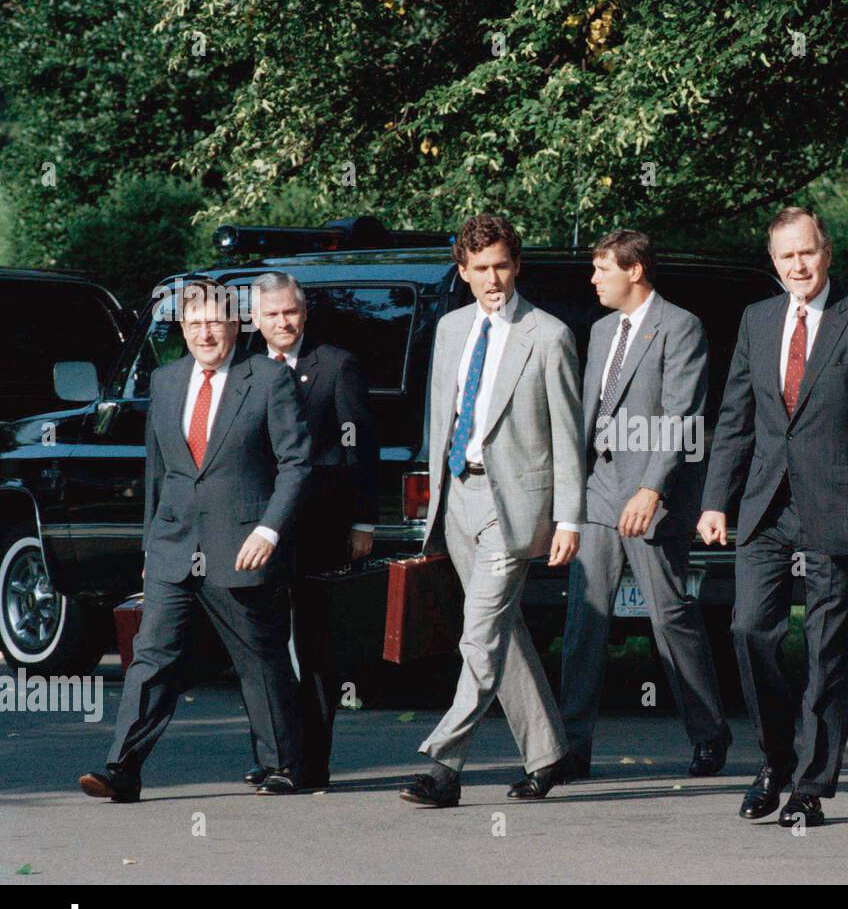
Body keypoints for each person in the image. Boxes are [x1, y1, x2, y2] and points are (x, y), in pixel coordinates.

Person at [697, 206, 848, 828]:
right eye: (786, 256)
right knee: (748, 632)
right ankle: (775, 759)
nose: (798, 265)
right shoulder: (757, 320)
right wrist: (716, 499)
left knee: (829, 649)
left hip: (841, 504)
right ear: (774, 262)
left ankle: (811, 786)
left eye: (807, 253)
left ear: (827, 251)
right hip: (766, 506)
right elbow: (735, 418)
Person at [80, 277, 312, 801]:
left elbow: (297, 465)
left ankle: (282, 765)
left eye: (215, 321)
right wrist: (149, 548)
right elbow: (158, 472)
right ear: (181, 328)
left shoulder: (267, 378)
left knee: (258, 656)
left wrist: (269, 530)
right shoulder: (165, 382)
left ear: (236, 324)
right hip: (173, 546)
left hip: (243, 543)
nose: (205, 333)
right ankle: (122, 769)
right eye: (195, 323)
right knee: (152, 655)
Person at [400, 214, 584, 808]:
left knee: (478, 638)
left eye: (502, 265)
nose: (493, 278)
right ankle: (549, 755)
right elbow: (441, 417)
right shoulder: (451, 328)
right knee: (503, 633)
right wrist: (435, 496)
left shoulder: (548, 334)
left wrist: (569, 519)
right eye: (480, 268)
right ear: (463, 272)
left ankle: (444, 765)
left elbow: (567, 435)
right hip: (458, 496)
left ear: (517, 265)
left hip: (515, 506)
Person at [557, 229, 731, 782]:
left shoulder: (680, 327)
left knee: (670, 619)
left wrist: (652, 489)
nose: (593, 279)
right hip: (599, 490)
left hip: (651, 497)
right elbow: (587, 415)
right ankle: (572, 746)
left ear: (635, 271)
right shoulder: (603, 330)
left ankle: (709, 736)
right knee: (585, 622)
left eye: (602, 269)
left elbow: (683, 416)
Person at [245, 271, 379, 791]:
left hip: (321, 528)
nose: (282, 322)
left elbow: (361, 449)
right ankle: (275, 755)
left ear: (304, 314)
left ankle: (310, 764)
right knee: (262, 647)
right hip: (256, 528)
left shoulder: (337, 366)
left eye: (290, 312)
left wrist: (363, 521)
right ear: (255, 318)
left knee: (317, 648)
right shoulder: (245, 369)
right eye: (272, 313)